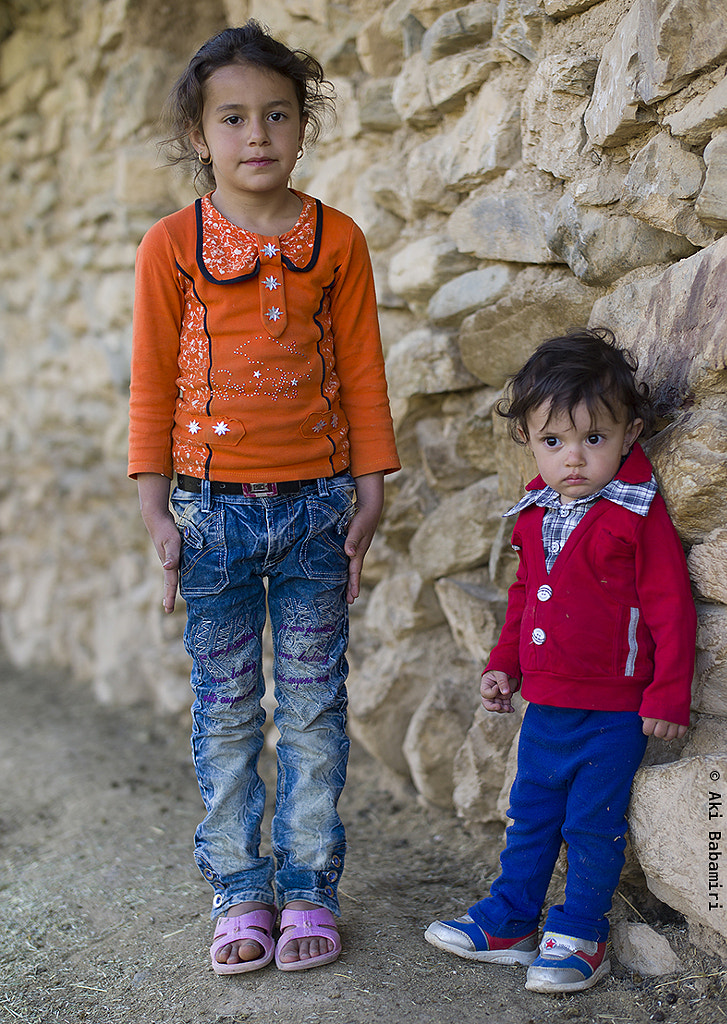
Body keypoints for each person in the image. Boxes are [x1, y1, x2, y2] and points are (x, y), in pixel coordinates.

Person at [128, 21, 400, 975]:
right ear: (199, 136)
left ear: (302, 126)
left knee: (316, 710)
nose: (257, 136)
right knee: (229, 713)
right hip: (211, 515)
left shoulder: (339, 241)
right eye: (233, 118)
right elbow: (153, 386)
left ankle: (311, 893)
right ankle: (240, 892)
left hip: (320, 510)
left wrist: (370, 491)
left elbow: (363, 374)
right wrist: (157, 512)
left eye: (277, 115)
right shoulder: (171, 246)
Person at [425, 328, 696, 994]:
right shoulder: (535, 511)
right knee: (532, 815)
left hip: (612, 711)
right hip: (544, 703)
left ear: (629, 434)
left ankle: (580, 933)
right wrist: (503, 664)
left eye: (591, 439)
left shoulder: (636, 513)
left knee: (590, 825)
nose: (571, 458)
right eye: (552, 442)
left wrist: (666, 693)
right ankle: (511, 920)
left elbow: (669, 605)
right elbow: (523, 597)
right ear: (528, 440)